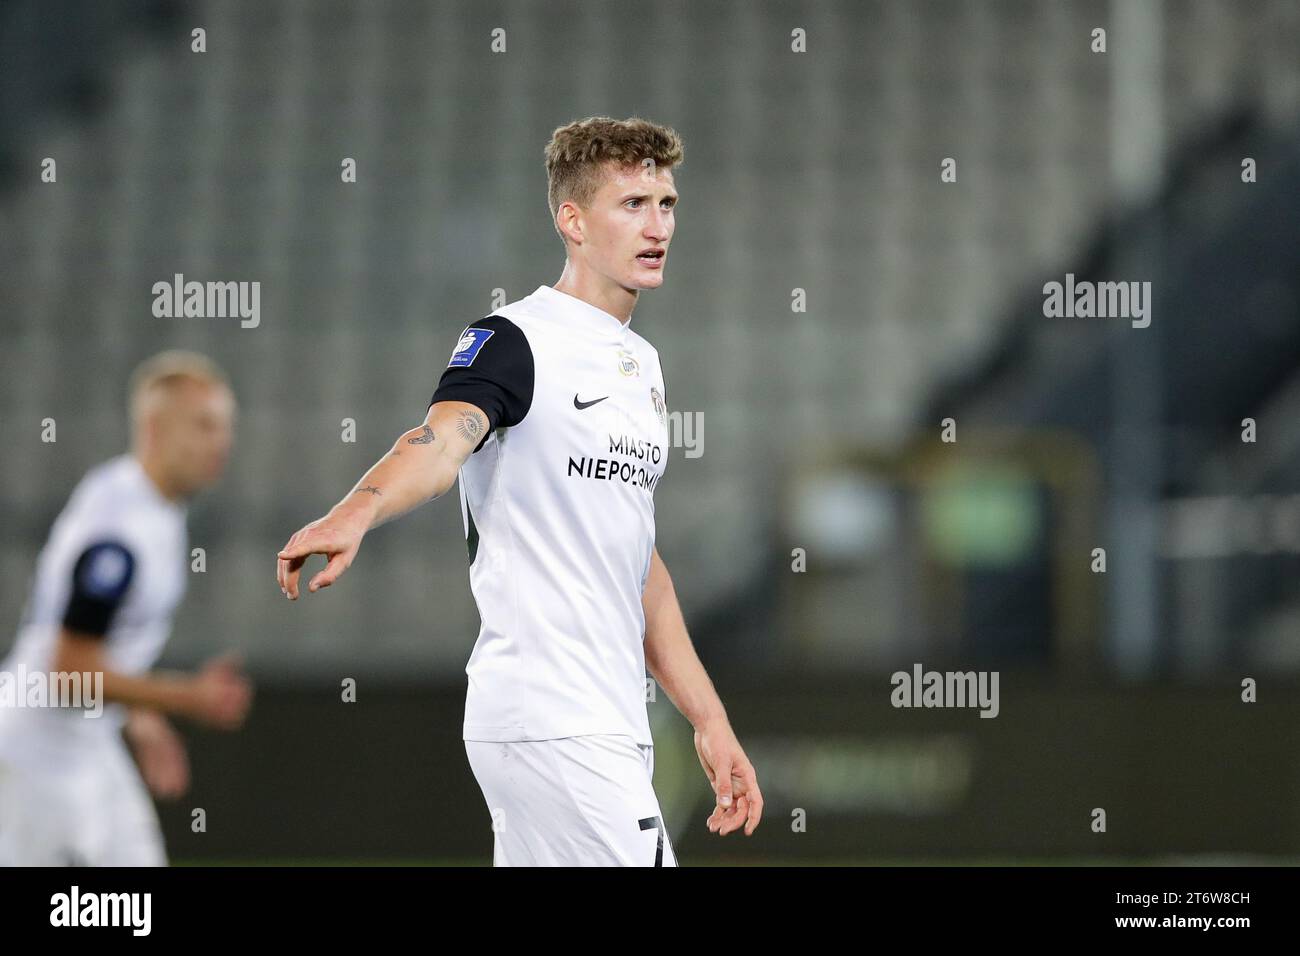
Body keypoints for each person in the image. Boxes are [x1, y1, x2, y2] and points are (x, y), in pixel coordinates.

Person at [276, 116, 762, 865]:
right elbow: (438, 442)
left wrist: (707, 716)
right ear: (571, 219)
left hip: (591, 717)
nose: (657, 223)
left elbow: (638, 565)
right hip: (554, 713)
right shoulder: (516, 340)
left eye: (666, 203)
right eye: (631, 204)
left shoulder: (643, 365)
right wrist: (357, 510)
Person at [0, 350, 253, 866]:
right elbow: (67, 673)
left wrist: (139, 714)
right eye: (203, 425)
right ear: (155, 429)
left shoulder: (144, 503)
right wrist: (187, 697)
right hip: (38, 757)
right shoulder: (120, 534)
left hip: (86, 740)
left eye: (225, 427)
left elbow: (91, 642)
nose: (221, 443)